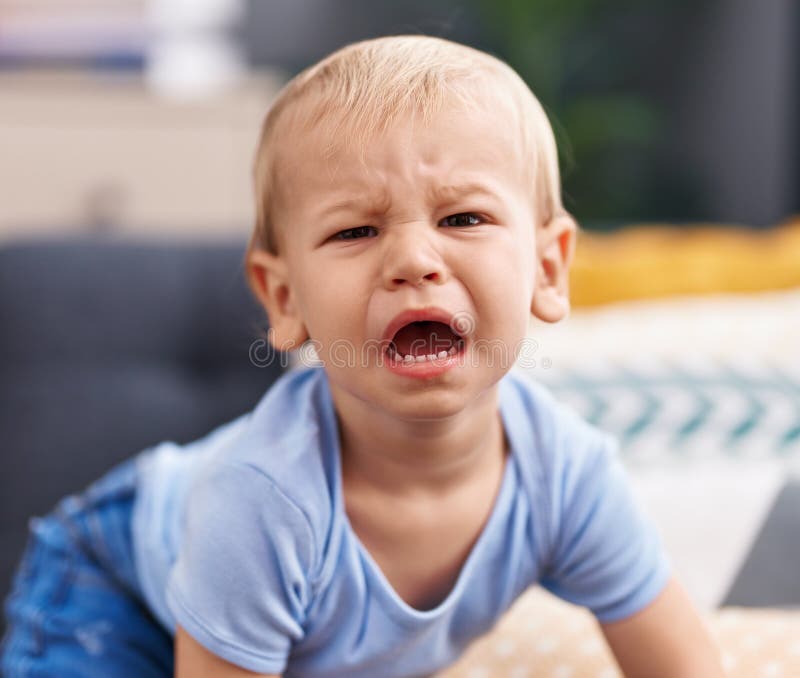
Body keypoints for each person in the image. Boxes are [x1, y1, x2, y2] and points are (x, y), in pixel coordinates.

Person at [1, 35, 725, 678]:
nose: (413, 259)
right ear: (284, 299)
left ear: (547, 268)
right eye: (355, 231)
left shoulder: (567, 477)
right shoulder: (265, 502)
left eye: (463, 217)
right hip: (113, 584)